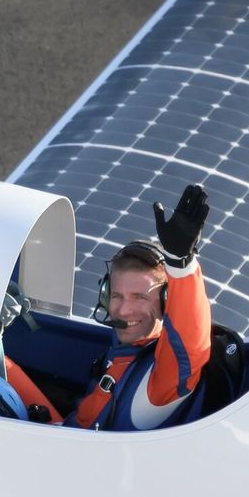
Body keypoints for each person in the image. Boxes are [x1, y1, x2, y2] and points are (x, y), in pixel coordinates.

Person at [64, 183, 213, 430]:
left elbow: (191, 343)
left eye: (140, 297)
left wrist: (180, 264)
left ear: (166, 303)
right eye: (117, 296)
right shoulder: (122, 352)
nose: (123, 311)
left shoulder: (160, 378)